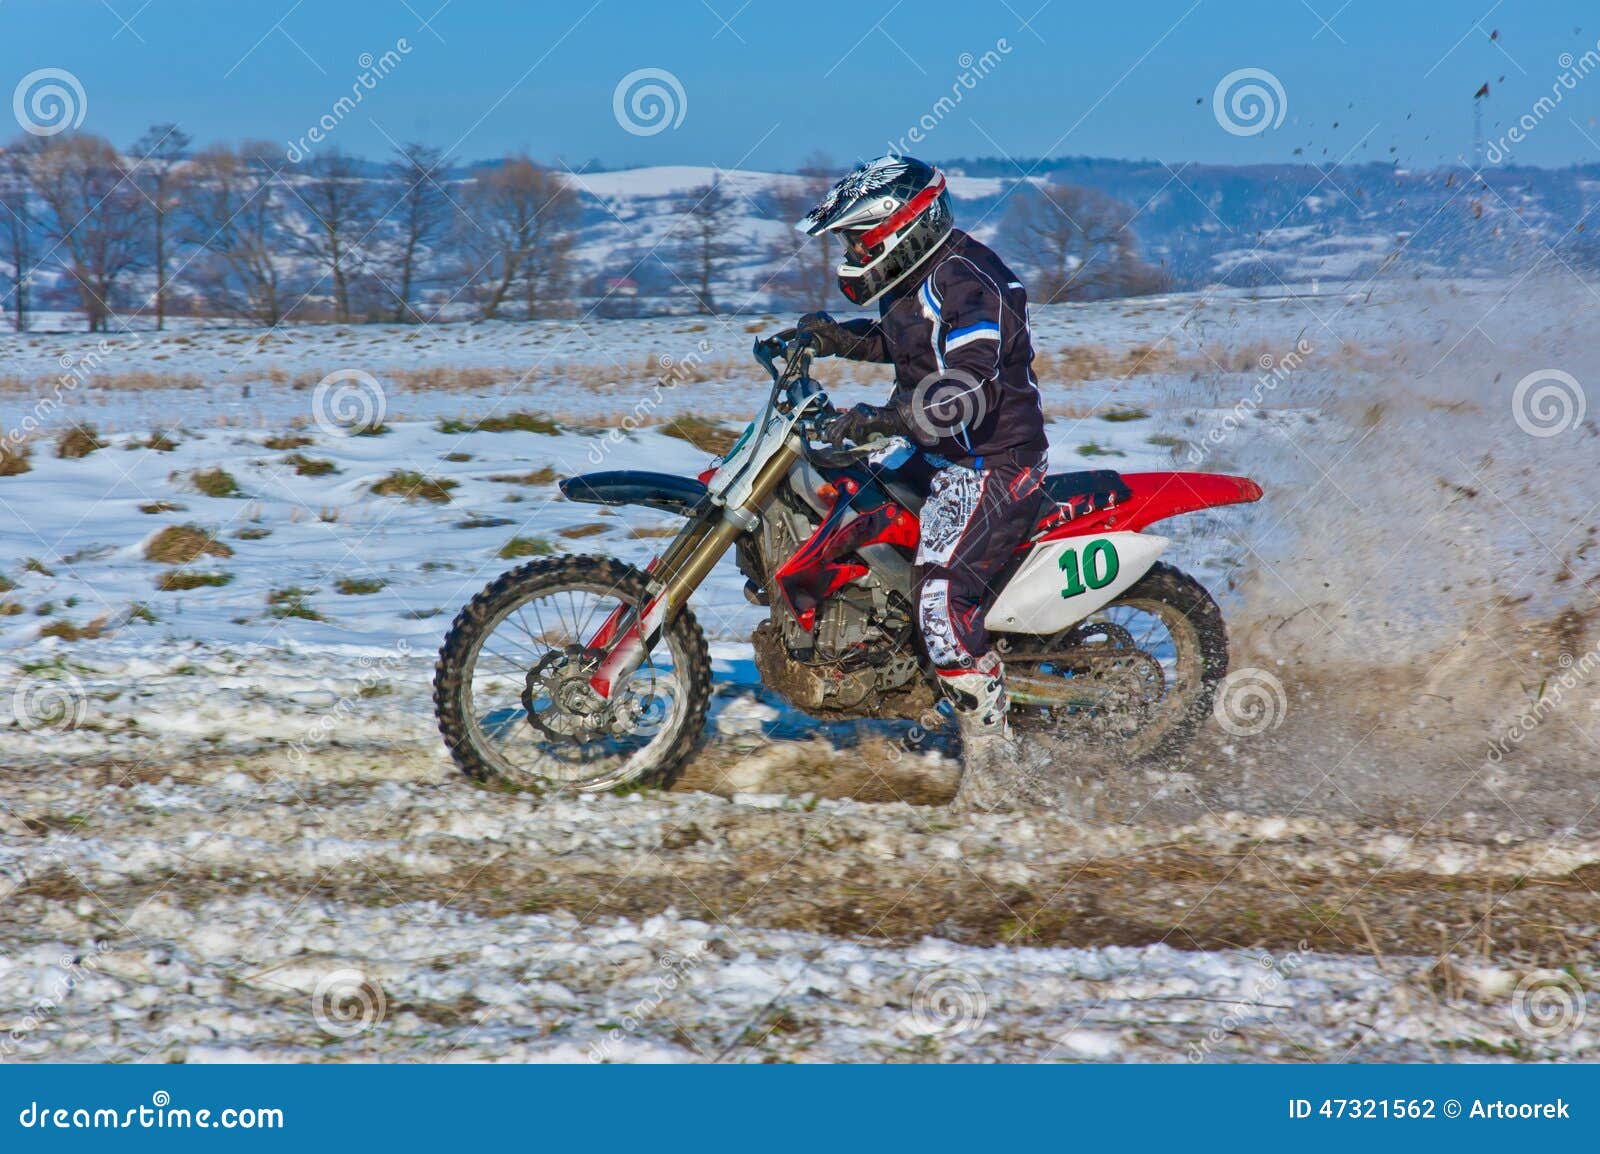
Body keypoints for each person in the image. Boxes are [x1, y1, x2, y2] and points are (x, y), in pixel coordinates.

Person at [789, 155, 1049, 813]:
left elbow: (970, 384)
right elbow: (904, 342)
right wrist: (834, 339)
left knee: (938, 599)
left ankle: (996, 773)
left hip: (989, 463)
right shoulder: (920, 276)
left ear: (895, 228)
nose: (851, 252)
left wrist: (885, 417)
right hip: (936, 453)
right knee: (848, 509)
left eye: (856, 239)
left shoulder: (968, 284)